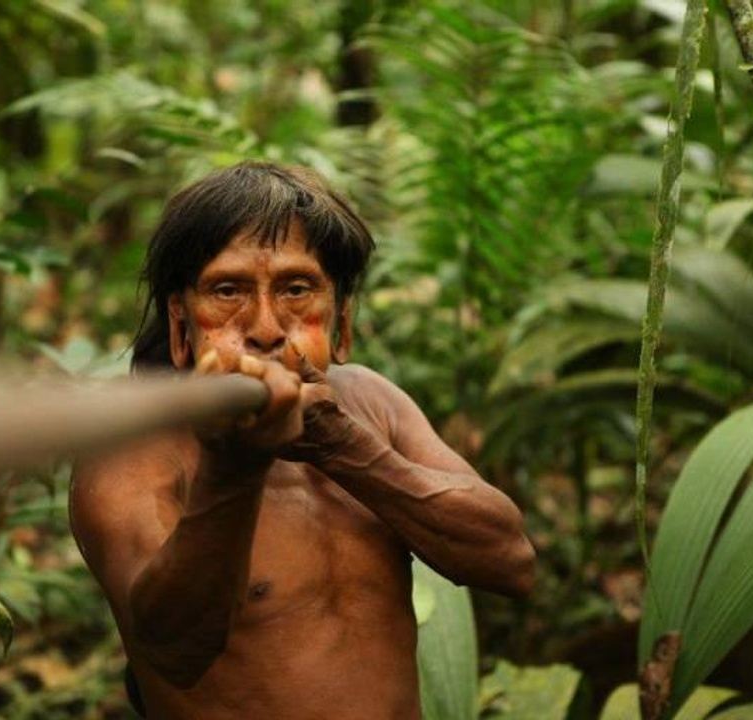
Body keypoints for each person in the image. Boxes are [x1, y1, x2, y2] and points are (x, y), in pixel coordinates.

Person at [70, 162, 535, 720]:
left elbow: (510, 561)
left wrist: (343, 447)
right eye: (227, 290)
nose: (265, 327)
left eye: (296, 289)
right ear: (180, 325)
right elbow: (174, 652)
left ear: (342, 323)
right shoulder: (131, 453)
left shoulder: (371, 402)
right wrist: (233, 467)